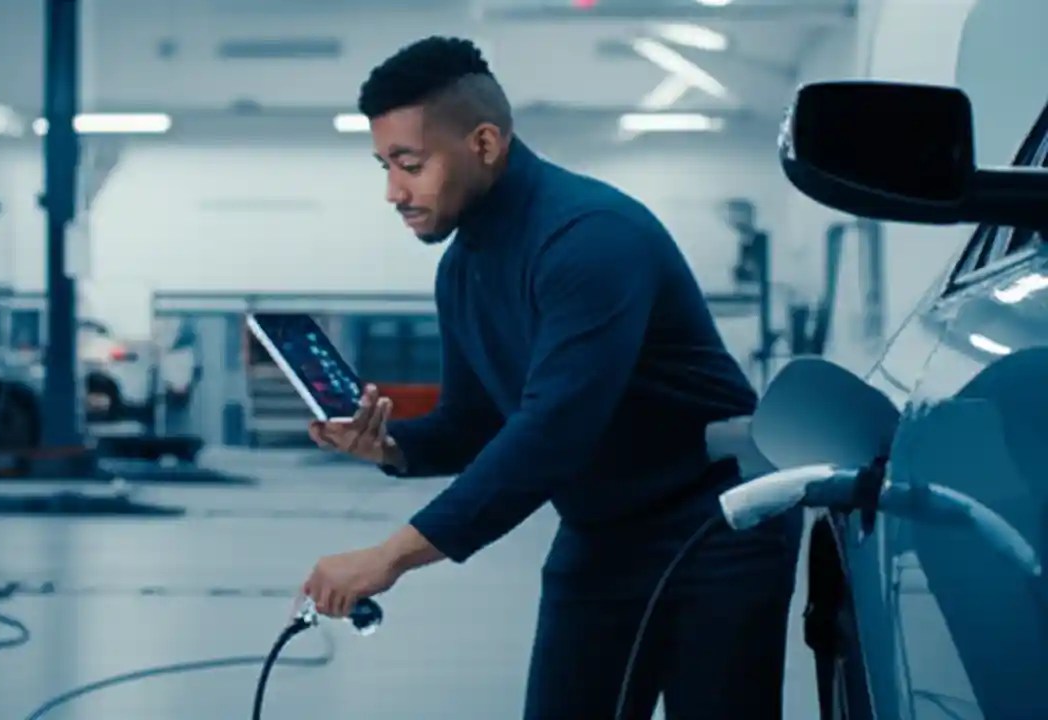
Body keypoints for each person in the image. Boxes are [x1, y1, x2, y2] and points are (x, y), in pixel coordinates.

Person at [298, 36, 802, 720]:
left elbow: (551, 434)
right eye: (384, 165)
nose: (393, 191)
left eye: (410, 164)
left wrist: (391, 556)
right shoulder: (462, 268)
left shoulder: (591, 238)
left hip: (714, 525)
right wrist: (385, 447)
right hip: (600, 530)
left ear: (483, 143)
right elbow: (474, 423)